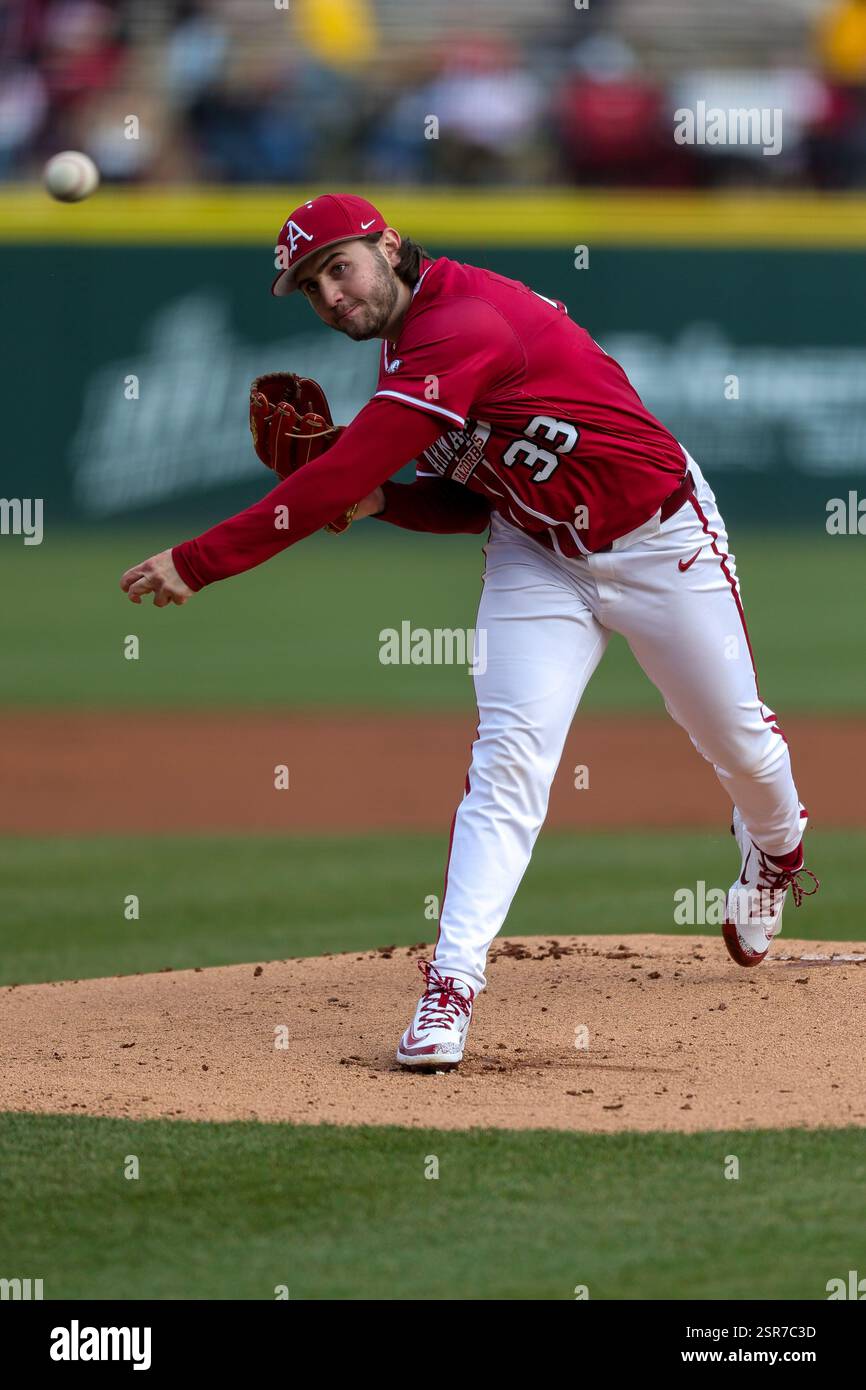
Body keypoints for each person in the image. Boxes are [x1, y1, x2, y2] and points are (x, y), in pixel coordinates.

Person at [121, 193, 819, 1069]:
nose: (330, 294)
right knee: (509, 759)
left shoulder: (463, 324)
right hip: (538, 555)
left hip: (660, 538)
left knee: (738, 741)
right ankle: (450, 987)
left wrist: (200, 558)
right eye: (309, 286)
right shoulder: (405, 350)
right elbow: (470, 499)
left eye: (340, 266)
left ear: (390, 246)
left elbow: (337, 476)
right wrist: (380, 500)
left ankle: (778, 850)